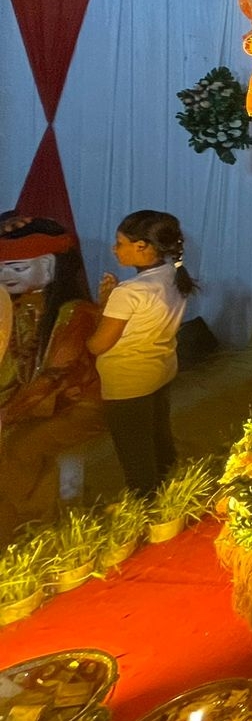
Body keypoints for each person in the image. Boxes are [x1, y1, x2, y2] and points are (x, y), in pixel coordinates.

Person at [0, 215, 101, 536]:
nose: (7, 276)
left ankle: (30, 525)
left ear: (48, 265)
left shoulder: (75, 313)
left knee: (21, 447)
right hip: (24, 402)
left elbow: (58, 375)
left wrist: (9, 413)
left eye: (18, 268)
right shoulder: (12, 307)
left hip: (72, 405)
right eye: (2, 268)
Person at [87, 210, 194, 495]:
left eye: (120, 243)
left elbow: (98, 345)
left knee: (136, 455)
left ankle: (147, 511)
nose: (114, 249)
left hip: (128, 383)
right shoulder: (173, 275)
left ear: (142, 246)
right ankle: (173, 500)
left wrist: (105, 306)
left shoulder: (130, 292)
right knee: (160, 440)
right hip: (159, 372)